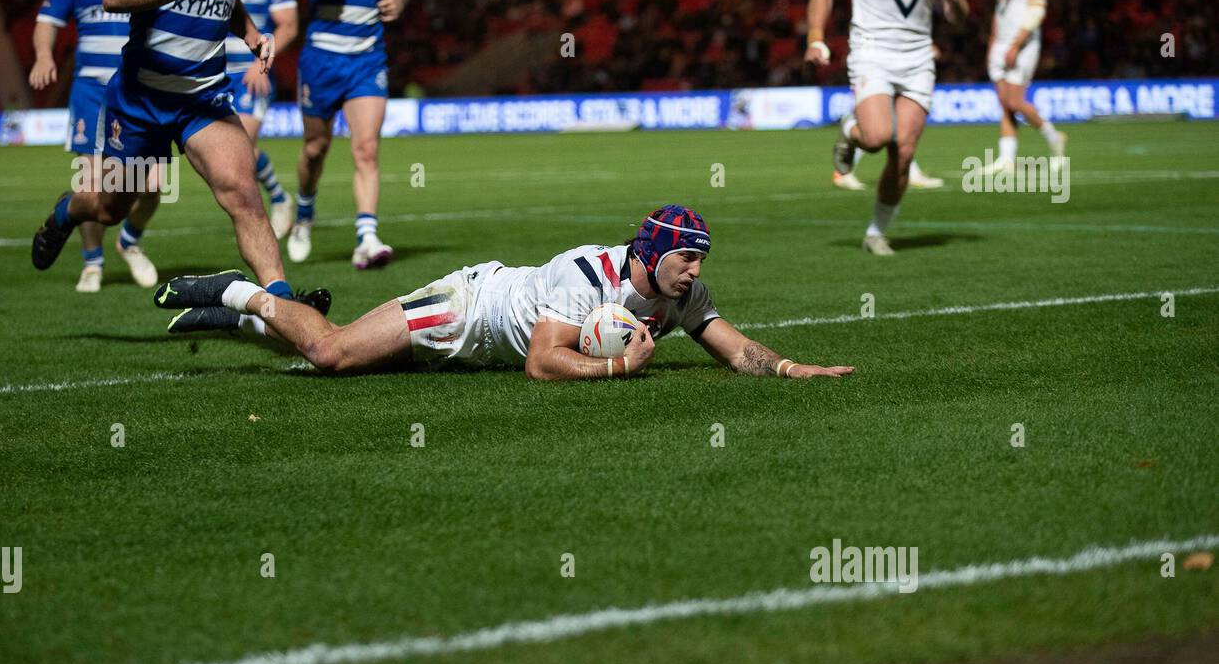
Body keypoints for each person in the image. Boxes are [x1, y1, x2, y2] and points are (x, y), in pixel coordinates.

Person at [30, 0, 327, 312]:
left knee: (244, 195)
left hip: (202, 99)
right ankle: (67, 212)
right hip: (141, 103)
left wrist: (249, 33)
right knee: (111, 208)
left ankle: (280, 306)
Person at [154, 204, 855, 383]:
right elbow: (542, 363)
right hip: (464, 310)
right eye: (685, 259)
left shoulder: (682, 298)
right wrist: (618, 367)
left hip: (473, 353)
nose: (695, 272)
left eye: (700, 261)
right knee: (332, 354)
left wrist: (795, 368)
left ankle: (231, 320)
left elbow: (735, 351)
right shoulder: (587, 275)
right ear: (650, 253)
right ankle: (243, 291)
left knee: (330, 362)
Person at [804, 0, 968, 256]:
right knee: (877, 138)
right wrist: (815, 36)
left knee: (904, 151)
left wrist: (957, 0)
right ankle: (852, 132)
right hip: (872, 51)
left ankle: (876, 232)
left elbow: (958, 17)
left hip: (917, 58)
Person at [266, 0, 412, 269]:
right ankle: (305, 212)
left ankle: (366, 236)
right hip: (321, 61)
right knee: (316, 149)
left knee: (366, 149)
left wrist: (397, 0)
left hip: (367, 60)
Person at [30, 0, 160, 293]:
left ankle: (130, 242)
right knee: (92, 183)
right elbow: (48, 18)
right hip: (92, 92)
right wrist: (43, 55)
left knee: (153, 184)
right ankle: (92, 262)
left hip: (140, 90)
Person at [223, 0, 299, 235]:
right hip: (216, 78)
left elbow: (289, 27)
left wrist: (260, 60)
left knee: (242, 145)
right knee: (229, 154)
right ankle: (278, 196)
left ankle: (276, 202)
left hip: (253, 77)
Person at [988, 0, 1066, 172]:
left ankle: (1053, 136)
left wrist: (1014, 45)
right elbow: (999, 12)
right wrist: (993, 43)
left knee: (1015, 101)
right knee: (1005, 104)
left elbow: (1036, 14)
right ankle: (1006, 159)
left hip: (1022, 46)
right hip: (1000, 44)